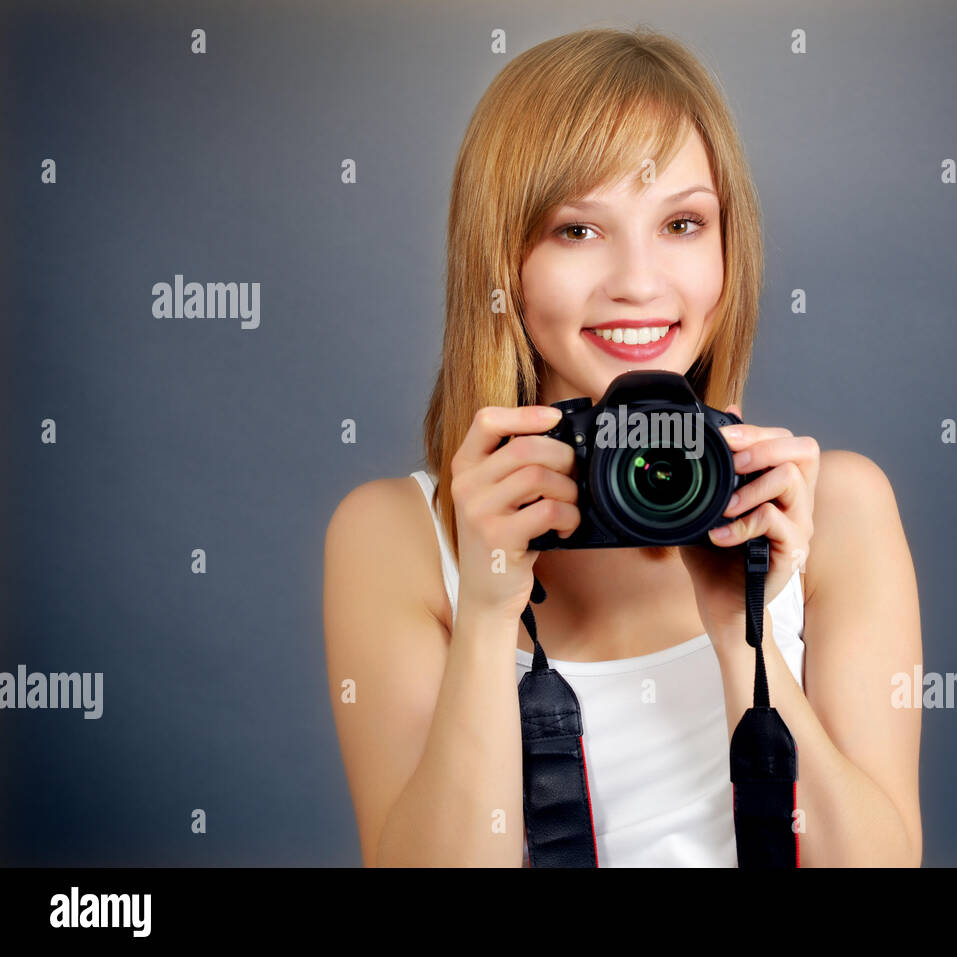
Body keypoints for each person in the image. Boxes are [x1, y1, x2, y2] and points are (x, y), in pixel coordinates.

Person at [323, 26, 922, 867]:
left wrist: (742, 631)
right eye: (579, 230)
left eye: (681, 222)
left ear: (727, 248)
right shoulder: (396, 535)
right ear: (503, 264)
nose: (639, 281)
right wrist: (491, 614)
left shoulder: (839, 507)